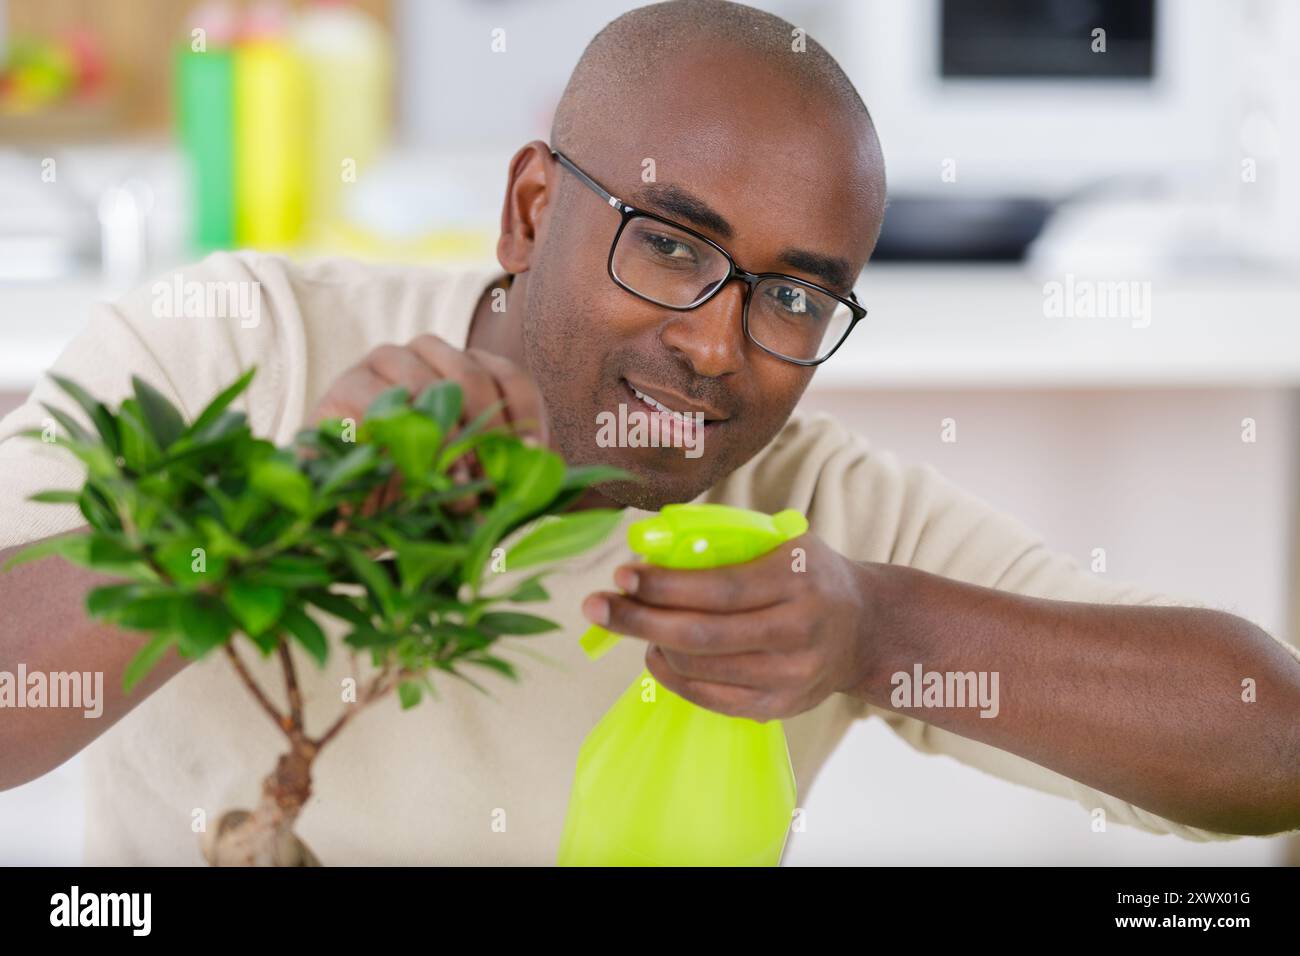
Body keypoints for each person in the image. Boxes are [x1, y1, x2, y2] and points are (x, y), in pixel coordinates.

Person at [1, 0, 1297, 865]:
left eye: (794, 294)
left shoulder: (804, 525)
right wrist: (284, 498)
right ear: (525, 212)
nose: (718, 343)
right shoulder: (243, 346)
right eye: (671, 245)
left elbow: (1269, 744)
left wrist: (882, 631)